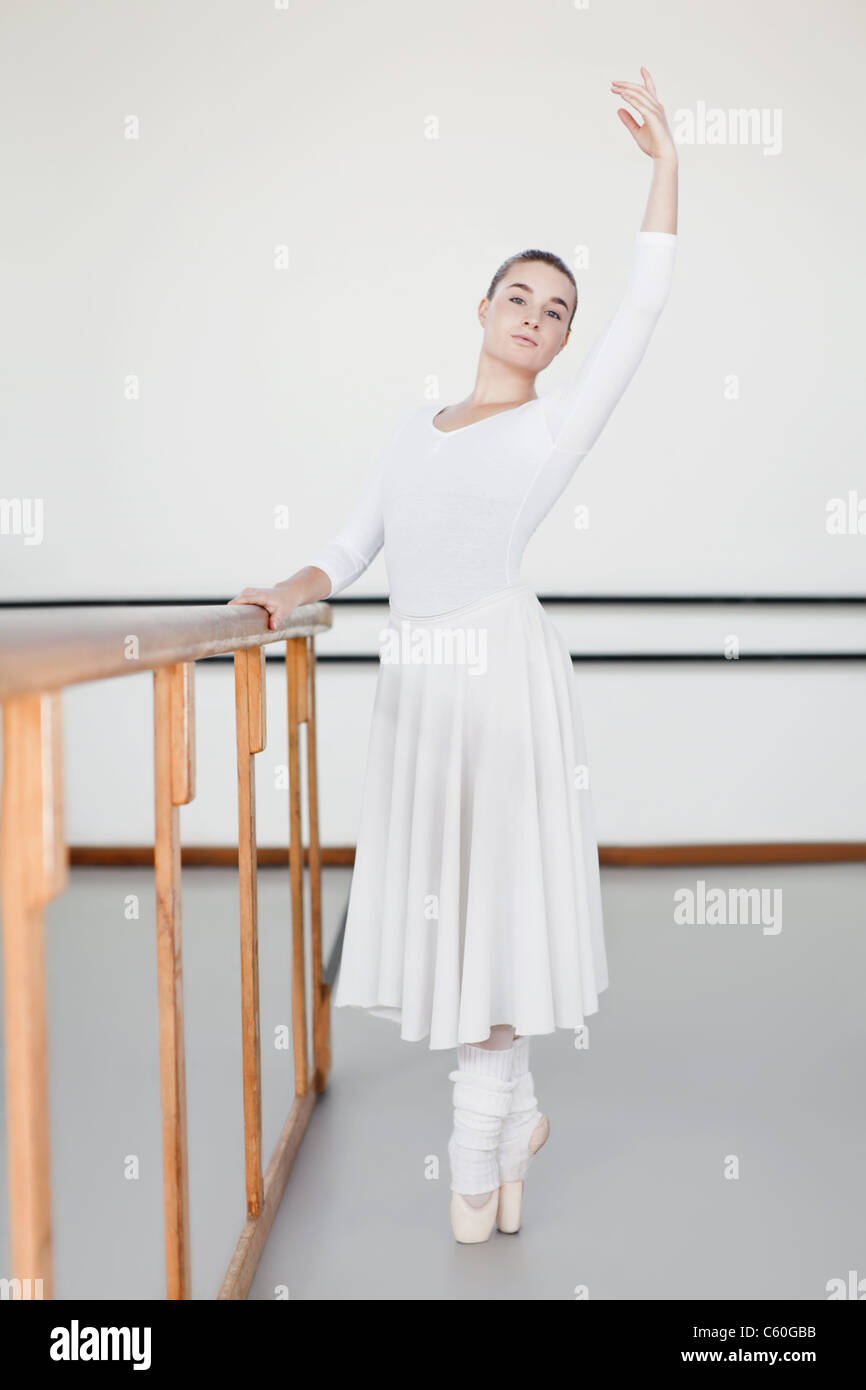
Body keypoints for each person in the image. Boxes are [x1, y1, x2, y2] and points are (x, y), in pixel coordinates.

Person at [230, 67, 679, 1244]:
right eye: (517, 299)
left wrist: (666, 169)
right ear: (480, 310)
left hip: (498, 675)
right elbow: (348, 544)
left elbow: (640, 313)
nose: (534, 319)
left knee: (498, 904)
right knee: (457, 911)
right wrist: (288, 590)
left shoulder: (552, 425)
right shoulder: (412, 428)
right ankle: (512, 1114)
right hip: (416, 685)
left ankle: (475, 1144)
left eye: (553, 313)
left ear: (558, 341)